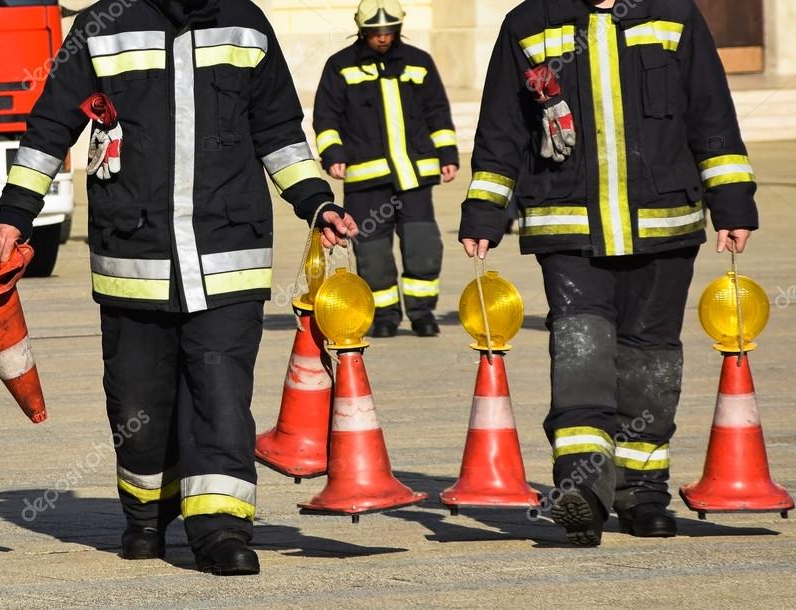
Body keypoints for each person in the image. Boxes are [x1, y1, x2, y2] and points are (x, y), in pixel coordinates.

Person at [0, 0, 356, 575]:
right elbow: (52, 125)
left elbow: (279, 131)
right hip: (133, 256)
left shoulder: (245, 21)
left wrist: (316, 204)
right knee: (139, 403)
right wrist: (16, 213)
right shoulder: (103, 24)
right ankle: (146, 517)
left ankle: (222, 529)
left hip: (228, 254)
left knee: (221, 397)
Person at [459, 0, 757, 546]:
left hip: (663, 223)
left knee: (651, 357)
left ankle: (643, 494)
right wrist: (484, 210)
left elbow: (710, 113)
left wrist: (733, 201)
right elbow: (502, 126)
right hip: (568, 224)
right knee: (580, 346)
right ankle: (583, 492)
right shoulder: (529, 23)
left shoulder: (675, 16)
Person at [313, 0, 459, 338]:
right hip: (366, 181)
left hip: (414, 179)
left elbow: (437, 111)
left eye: (389, 31)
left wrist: (447, 153)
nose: (383, 38)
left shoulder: (418, 63)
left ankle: (422, 313)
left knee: (423, 248)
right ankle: (384, 316)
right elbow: (327, 118)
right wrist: (333, 153)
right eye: (376, 32)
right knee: (373, 253)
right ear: (362, 30)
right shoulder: (340, 66)